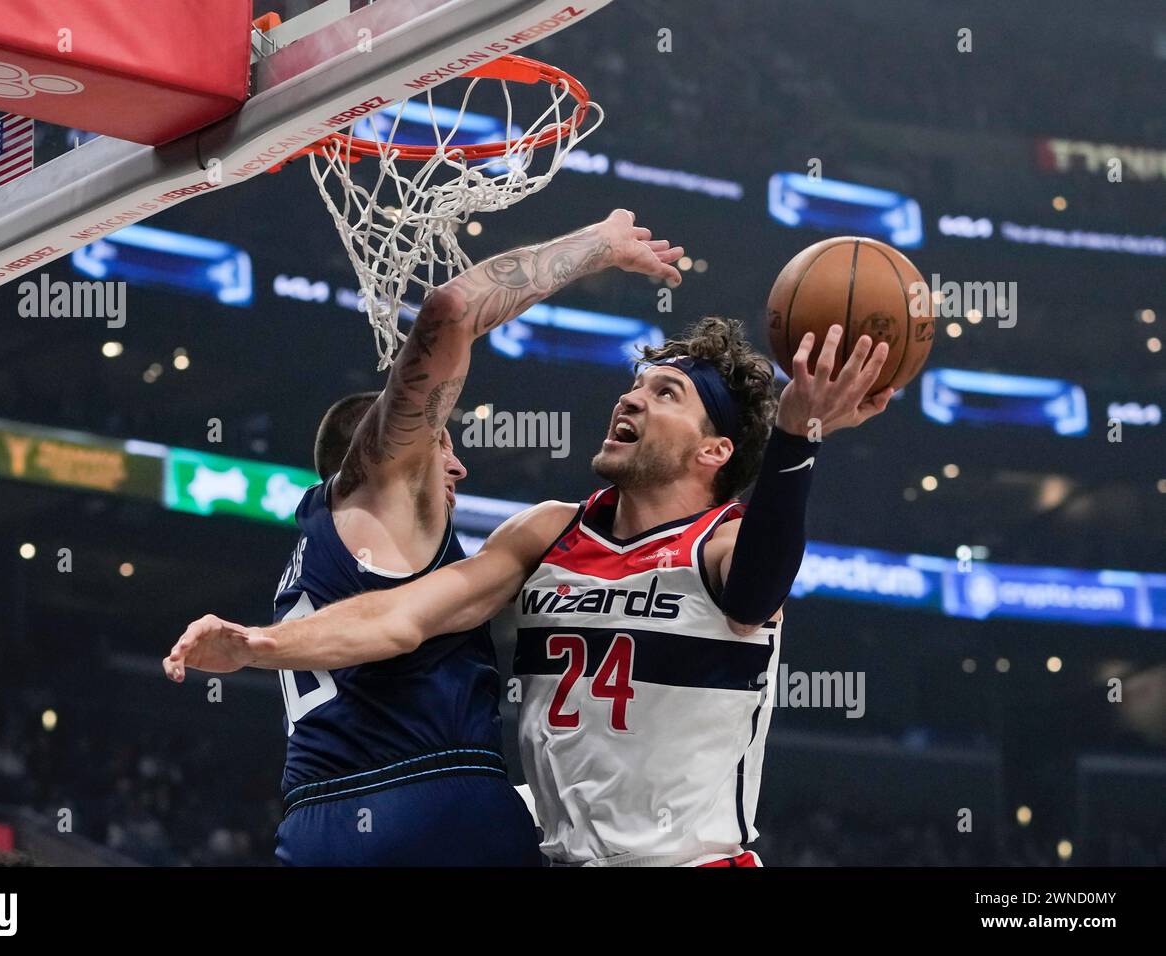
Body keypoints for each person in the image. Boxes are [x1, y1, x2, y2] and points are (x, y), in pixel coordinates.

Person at [167, 309, 892, 866]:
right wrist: (257, 644)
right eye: (635, 385)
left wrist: (797, 437)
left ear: (714, 450)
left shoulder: (724, 544)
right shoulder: (547, 531)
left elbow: (761, 582)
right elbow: (400, 619)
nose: (631, 399)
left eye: (664, 393)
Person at [165, 210, 683, 865]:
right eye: (443, 444)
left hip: (312, 825)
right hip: (427, 803)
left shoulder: (316, 546)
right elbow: (450, 310)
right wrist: (595, 246)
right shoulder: (384, 484)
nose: (459, 464)